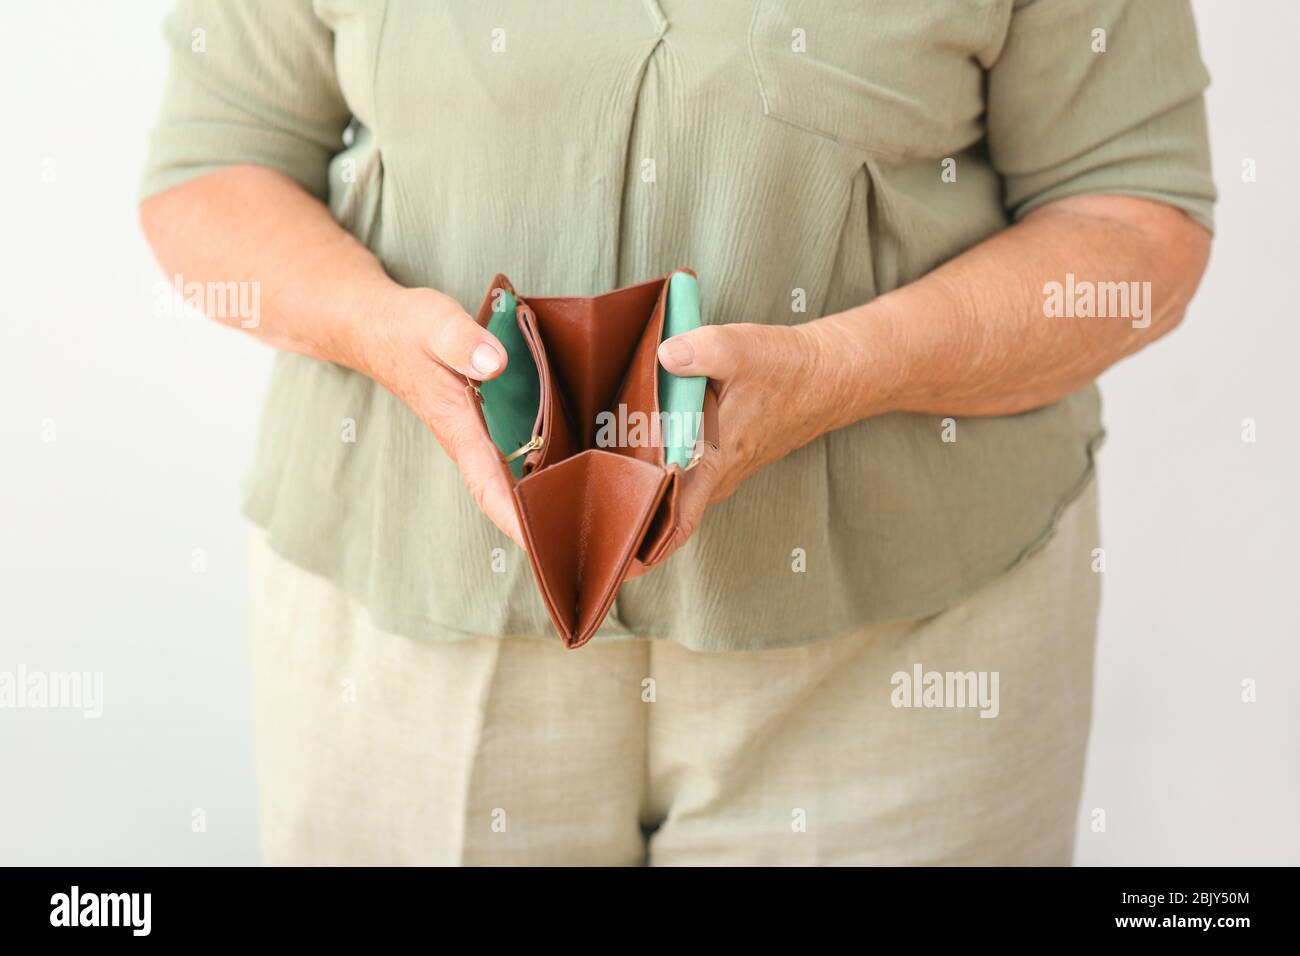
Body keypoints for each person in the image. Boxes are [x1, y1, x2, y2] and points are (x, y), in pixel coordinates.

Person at [139, 0, 1214, 865]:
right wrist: (380, 332)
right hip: (409, 627)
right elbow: (212, 169)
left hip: (909, 642)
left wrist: (844, 371)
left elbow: (1132, 216)